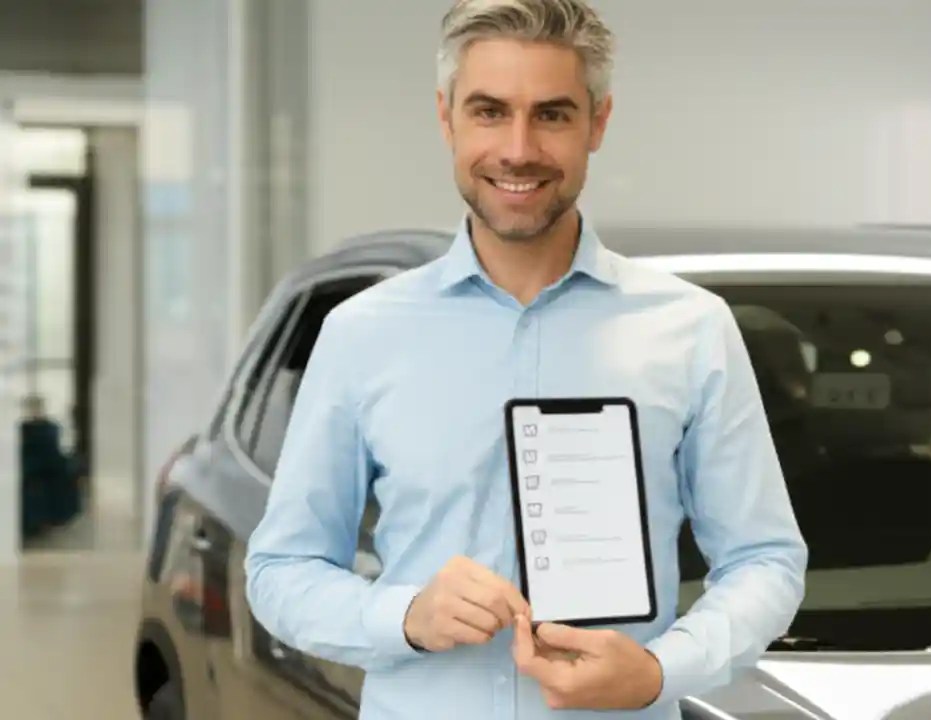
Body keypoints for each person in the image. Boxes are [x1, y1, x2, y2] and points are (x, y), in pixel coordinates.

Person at [244, 1, 807, 717]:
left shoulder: (690, 329)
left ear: (597, 123)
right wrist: (406, 615)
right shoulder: (363, 334)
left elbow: (766, 560)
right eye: (488, 111)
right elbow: (279, 572)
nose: (517, 149)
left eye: (552, 114)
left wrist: (661, 670)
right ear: (446, 119)